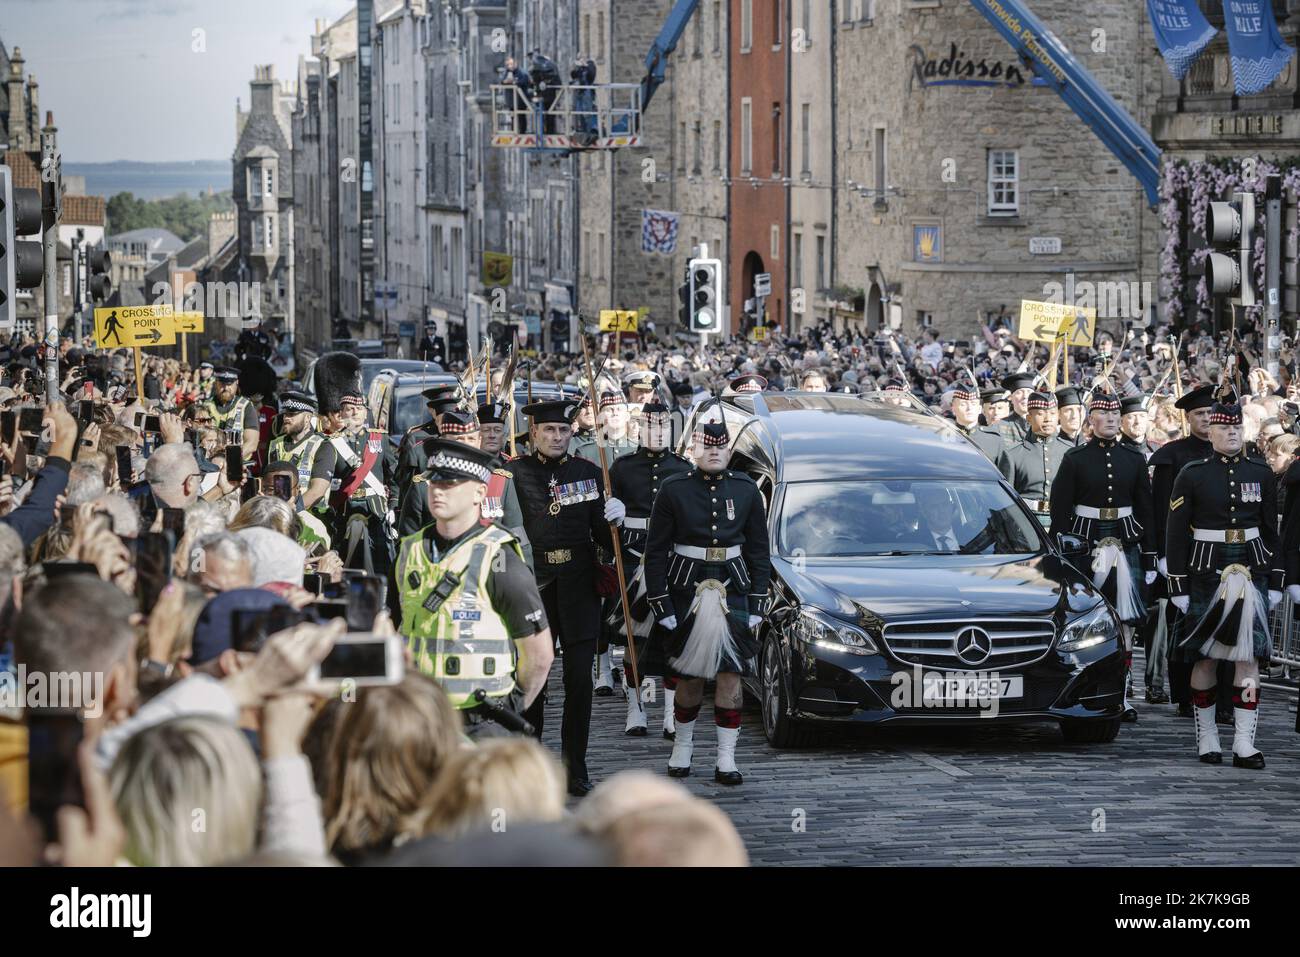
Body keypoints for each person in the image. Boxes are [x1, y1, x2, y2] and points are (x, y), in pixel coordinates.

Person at [396, 438, 554, 740]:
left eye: (451, 484)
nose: (437, 491)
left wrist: (510, 708)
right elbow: (396, 627)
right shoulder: (409, 551)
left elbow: (539, 655)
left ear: (480, 493)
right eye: (434, 482)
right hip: (421, 719)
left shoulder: (500, 558)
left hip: (481, 722)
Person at [644, 420, 770, 786]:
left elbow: (759, 550)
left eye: (720, 446)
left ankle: (726, 758)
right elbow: (656, 551)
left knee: (731, 676)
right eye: (707, 446)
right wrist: (661, 602)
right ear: (694, 450)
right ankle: (682, 747)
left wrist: (758, 600)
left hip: (734, 586)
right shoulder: (673, 489)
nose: (714, 452)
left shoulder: (746, 488)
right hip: (686, 587)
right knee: (690, 674)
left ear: (729, 451)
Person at [506, 399, 623, 796]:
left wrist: (614, 519)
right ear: (534, 433)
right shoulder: (513, 474)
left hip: (578, 584)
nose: (557, 437)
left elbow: (604, 537)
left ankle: (575, 767)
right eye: (549, 430)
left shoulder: (588, 473)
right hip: (532, 584)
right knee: (534, 677)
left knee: (579, 680)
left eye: (564, 430)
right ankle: (531, 765)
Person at [1166, 393, 1281, 769]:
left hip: (1251, 568)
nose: (1231, 433)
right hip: (1206, 571)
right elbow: (1176, 532)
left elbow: (1270, 530)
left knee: (1249, 658)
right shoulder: (1192, 473)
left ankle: (1244, 742)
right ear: (1211, 432)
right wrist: (1177, 584)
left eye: (1236, 427)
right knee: (1206, 657)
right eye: (1224, 427)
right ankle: (1208, 736)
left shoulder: (1260, 472)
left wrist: (1276, 579)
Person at [1049, 391, 1154, 722]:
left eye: (1114, 414)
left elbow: (1146, 508)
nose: (1110, 419)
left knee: (1125, 621)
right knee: (1088, 615)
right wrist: (1061, 551)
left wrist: (1151, 554)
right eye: (1103, 414)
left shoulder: (1134, 458)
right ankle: (1088, 688)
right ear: (1091, 420)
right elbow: (1060, 508)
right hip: (1085, 541)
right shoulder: (1075, 458)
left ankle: (1123, 694)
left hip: (1125, 539)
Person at [607, 401, 692, 736]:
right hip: (633, 554)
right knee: (635, 638)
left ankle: (670, 712)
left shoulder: (683, 468)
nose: (657, 432)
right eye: (650, 426)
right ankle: (637, 707)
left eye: (663, 426)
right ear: (639, 429)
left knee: (673, 636)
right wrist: (613, 515)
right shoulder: (622, 468)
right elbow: (605, 520)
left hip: (671, 560)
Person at [1149, 385, 1217, 719]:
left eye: (1210, 413)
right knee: (1183, 624)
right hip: (1183, 553)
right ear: (1187, 418)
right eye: (1199, 414)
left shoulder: (1231, 452)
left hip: (1219, 553)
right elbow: (1161, 508)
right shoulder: (1172, 455)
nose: (1206, 419)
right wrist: (1163, 554)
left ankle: (1220, 698)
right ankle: (1184, 696)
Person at [995, 391, 1072, 527]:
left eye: (1052, 413)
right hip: (1026, 522)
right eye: (1041, 414)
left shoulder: (1069, 451)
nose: (1048, 419)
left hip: (1062, 521)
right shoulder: (1013, 454)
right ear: (1029, 418)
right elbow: (1005, 501)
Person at [267, 390, 335, 512]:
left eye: (292, 414)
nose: (286, 418)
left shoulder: (323, 446)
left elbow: (317, 492)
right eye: (285, 414)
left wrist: (289, 509)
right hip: (277, 513)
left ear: (307, 418)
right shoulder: (275, 444)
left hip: (310, 516)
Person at [204, 366, 259, 461]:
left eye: (229, 384)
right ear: (216, 383)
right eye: (222, 384)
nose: (226, 388)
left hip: (237, 464)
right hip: (209, 463)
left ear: (237, 382)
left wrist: (229, 459)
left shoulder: (246, 406)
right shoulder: (206, 406)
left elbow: (252, 443)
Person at [949, 382, 1003, 460]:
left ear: (979, 409)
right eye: (963, 404)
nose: (969, 408)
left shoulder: (994, 439)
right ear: (953, 409)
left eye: (973, 404)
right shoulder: (943, 437)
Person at [997, 372, 1037, 444]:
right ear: (1011, 398)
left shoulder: (1043, 424)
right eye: (1019, 392)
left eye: (1029, 392)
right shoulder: (1000, 427)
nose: (1025, 396)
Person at [1119, 395, 1153, 459]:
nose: (1138, 421)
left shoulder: (1157, 449)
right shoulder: (1115, 453)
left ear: (1147, 419)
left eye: (1142, 416)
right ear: (1121, 421)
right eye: (1131, 417)